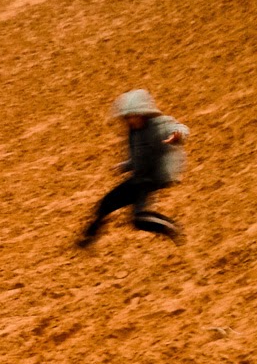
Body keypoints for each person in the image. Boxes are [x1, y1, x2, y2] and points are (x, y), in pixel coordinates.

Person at [77, 89, 189, 247]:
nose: (130, 121)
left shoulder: (158, 125)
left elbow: (178, 127)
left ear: (143, 113)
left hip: (152, 176)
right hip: (140, 175)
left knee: (139, 218)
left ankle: (171, 227)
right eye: (127, 117)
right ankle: (89, 236)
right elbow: (139, 156)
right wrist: (125, 166)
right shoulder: (134, 132)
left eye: (132, 116)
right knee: (107, 203)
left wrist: (178, 135)